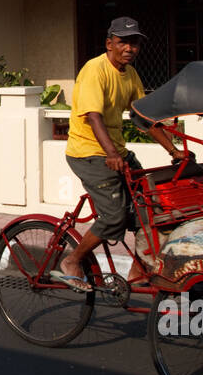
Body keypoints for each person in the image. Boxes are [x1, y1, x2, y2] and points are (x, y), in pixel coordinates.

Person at [57, 17, 189, 290]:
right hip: (89, 153)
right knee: (114, 217)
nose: (129, 48)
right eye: (123, 42)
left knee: (149, 207)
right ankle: (72, 260)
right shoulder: (94, 70)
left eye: (134, 43)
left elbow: (143, 117)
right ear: (109, 43)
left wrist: (173, 150)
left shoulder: (131, 75)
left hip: (115, 151)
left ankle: (138, 271)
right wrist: (111, 154)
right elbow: (93, 117)